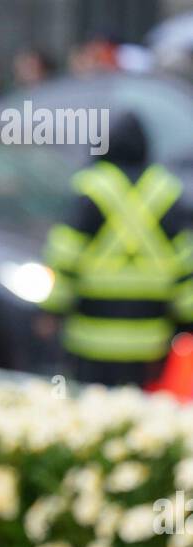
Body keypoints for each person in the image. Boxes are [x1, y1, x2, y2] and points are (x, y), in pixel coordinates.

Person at [40, 111, 193, 387]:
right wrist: (186, 321)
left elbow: (64, 255)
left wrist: (51, 310)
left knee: (93, 405)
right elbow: (185, 264)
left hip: (90, 338)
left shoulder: (91, 187)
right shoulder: (167, 191)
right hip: (149, 342)